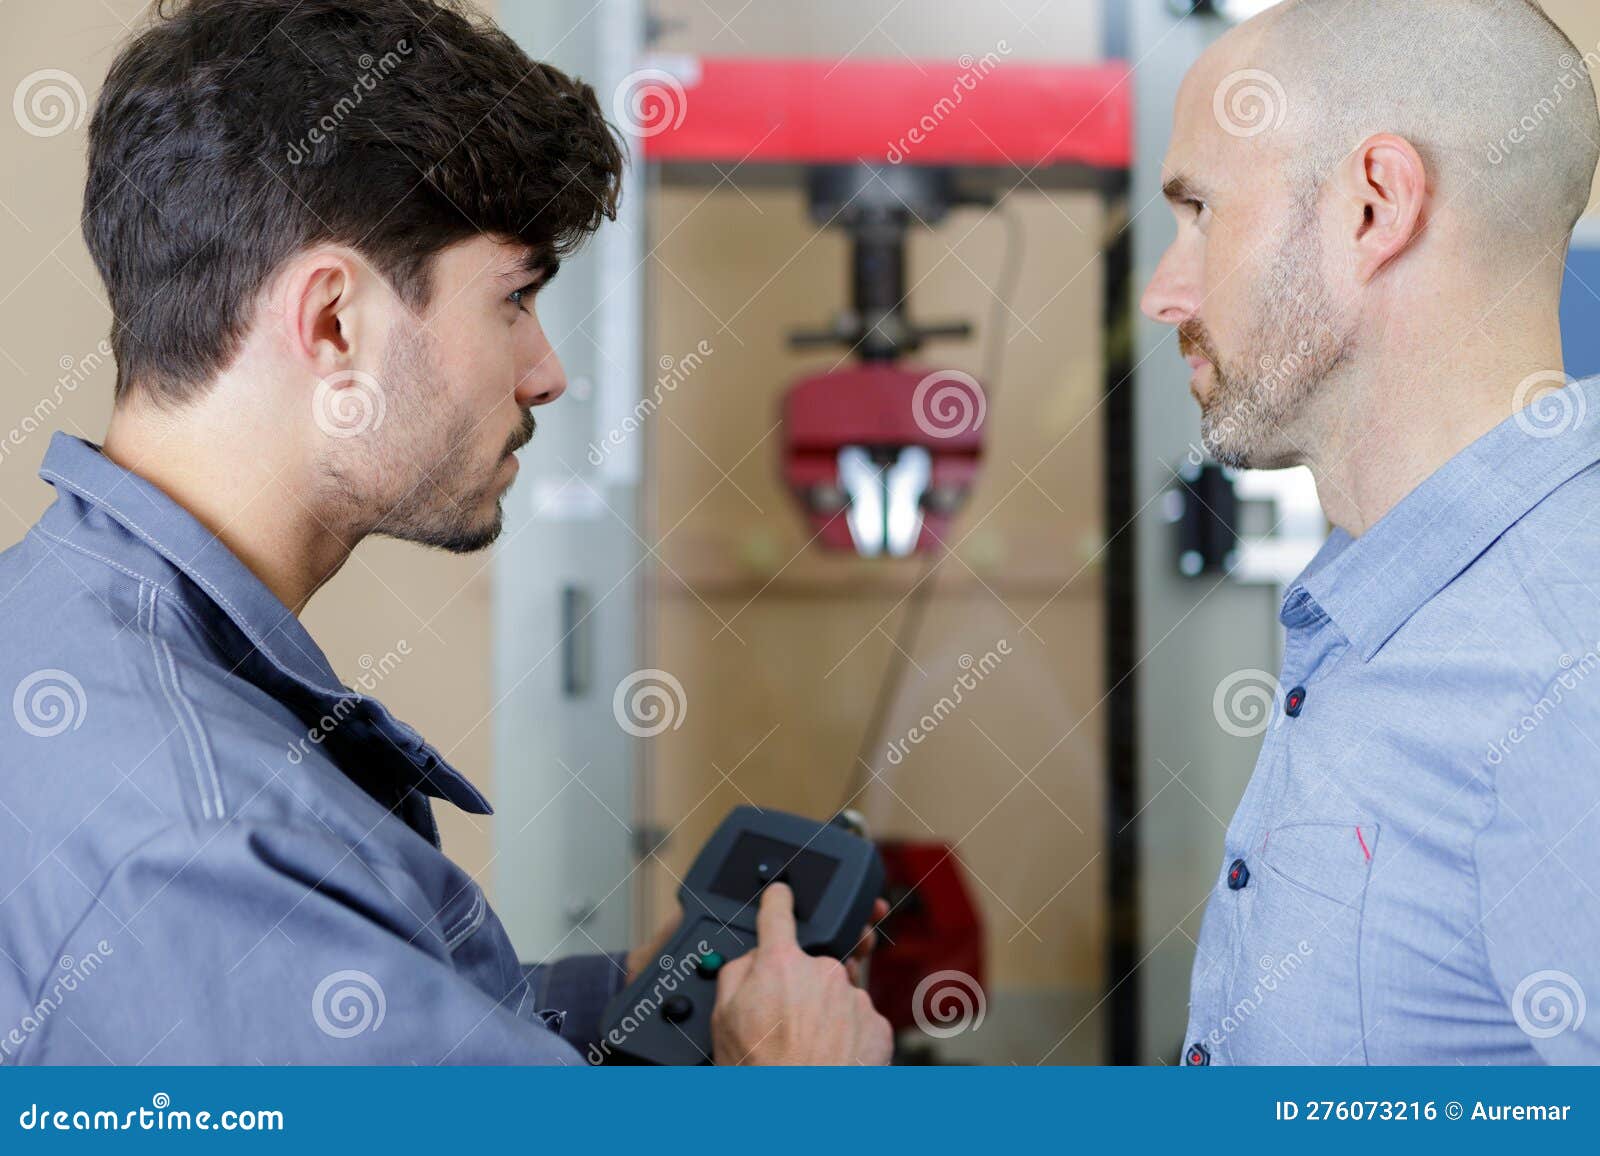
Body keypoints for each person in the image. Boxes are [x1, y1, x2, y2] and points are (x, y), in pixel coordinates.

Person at [0, 0, 890, 1066]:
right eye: (513, 300)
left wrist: (641, 994)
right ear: (333, 321)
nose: (546, 372)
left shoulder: (61, 625)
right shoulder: (202, 847)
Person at [1142, 0, 1600, 1064]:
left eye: (1201, 211)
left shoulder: (1565, 674)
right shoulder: (1374, 597)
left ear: (1372, 207)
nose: (1166, 293)